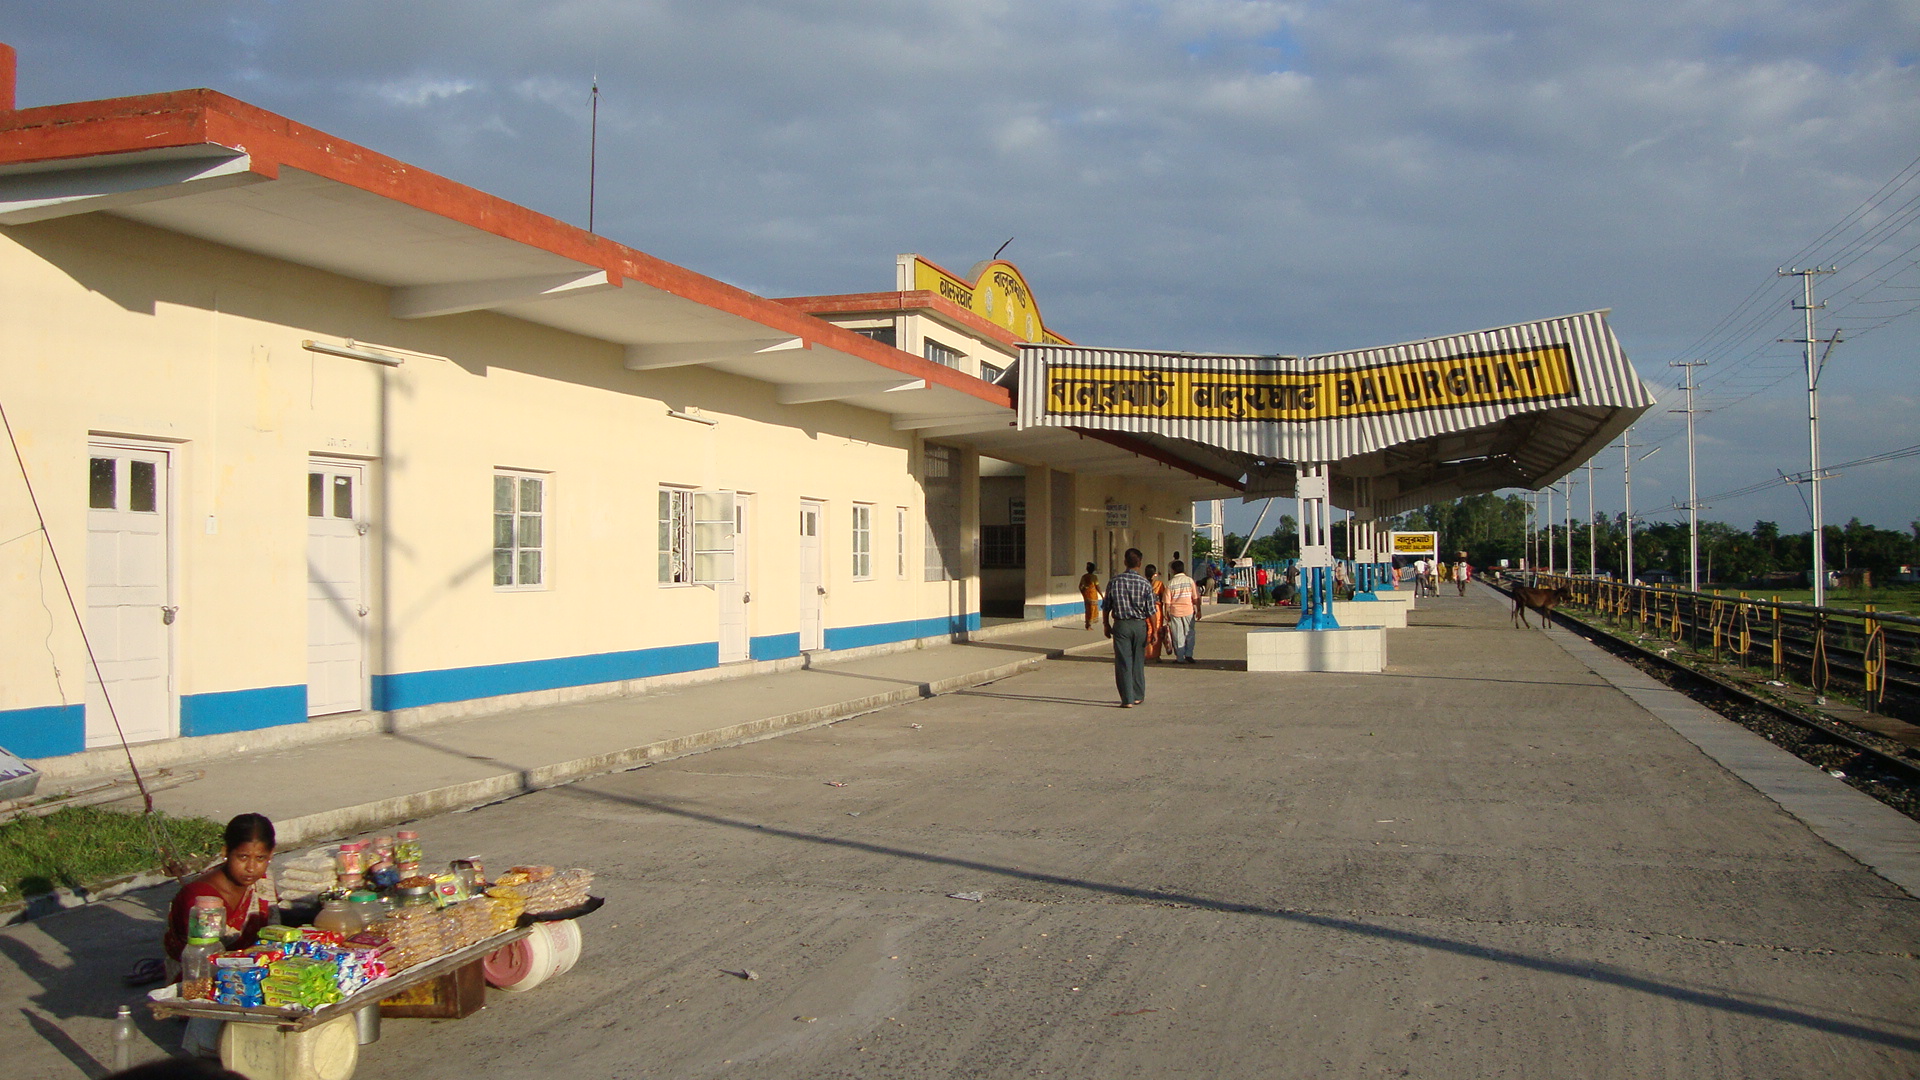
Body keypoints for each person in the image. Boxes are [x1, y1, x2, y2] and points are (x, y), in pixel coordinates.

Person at [165, 813, 276, 966]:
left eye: (260, 858)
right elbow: (204, 957)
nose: (251, 868)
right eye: (242, 857)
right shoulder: (199, 898)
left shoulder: (262, 882)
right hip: (201, 975)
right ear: (225, 852)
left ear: (271, 854)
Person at [1101, 548, 1156, 708]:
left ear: (1125, 562)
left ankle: (1127, 699)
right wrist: (1153, 630)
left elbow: (1106, 606)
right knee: (1138, 660)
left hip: (1122, 625)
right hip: (1140, 626)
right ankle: (1138, 695)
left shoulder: (1114, 581)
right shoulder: (1145, 583)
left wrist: (1106, 624)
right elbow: (1151, 610)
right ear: (1140, 563)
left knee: (1123, 662)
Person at [1164, 559, 1201, 663]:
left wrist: (1166, 613)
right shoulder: (1190, 581)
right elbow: (1195, 597)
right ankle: (1189, 655)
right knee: (1189, 633)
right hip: (1188, 610)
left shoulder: (1170, 583)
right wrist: (1199, 610)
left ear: (1173, 570)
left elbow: (1167, 601)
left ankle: (1180, 657)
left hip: (1175, 611)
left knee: (1177, 634)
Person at [1144, 565, 1167, 662]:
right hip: (1157, 611)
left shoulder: (1143, 584)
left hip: (1145, 611)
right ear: (1154, 574)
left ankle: (1147, 654)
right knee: (1157, 631)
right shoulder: (1159, 584)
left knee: (1147, 631)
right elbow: (1163, 597)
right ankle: (1155, 655)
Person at [1077, 562, 1102, 630]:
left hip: (1087, 595)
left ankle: (1088, 624)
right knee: (1092, 610)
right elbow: (1097, 587)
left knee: (1088, 609)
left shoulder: (1084, 576)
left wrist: (1083, 593)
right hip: (1093, 595)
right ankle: (1089, 624)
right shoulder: (1094, 577)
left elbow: (1080, 586)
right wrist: (1102, 595)